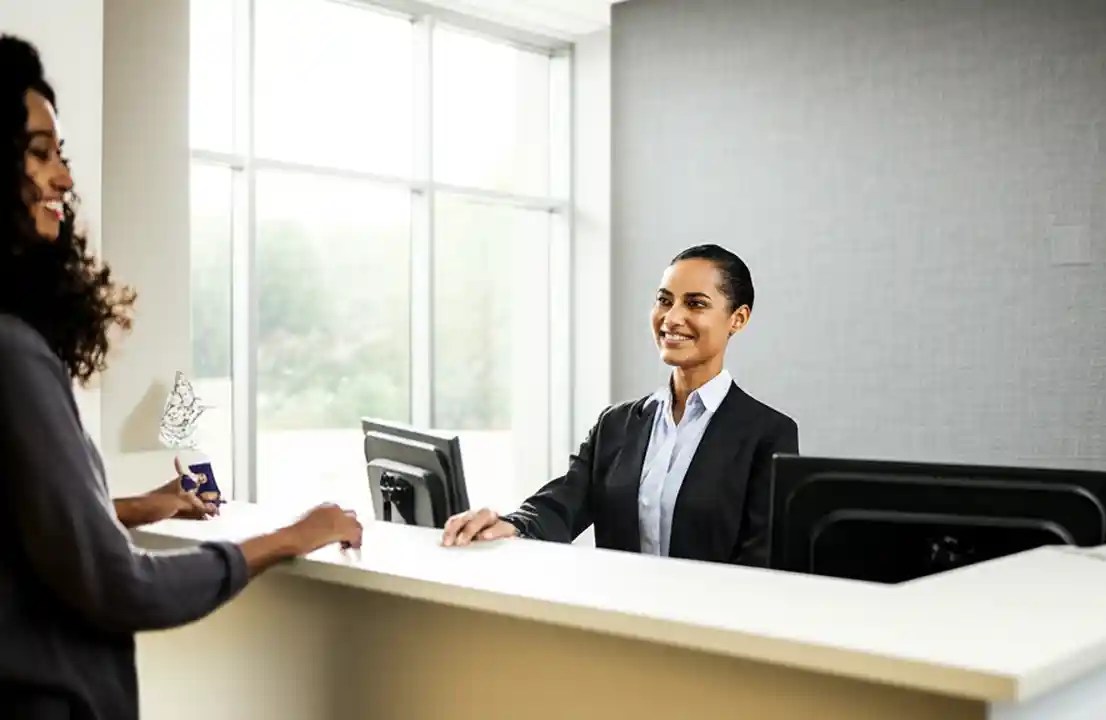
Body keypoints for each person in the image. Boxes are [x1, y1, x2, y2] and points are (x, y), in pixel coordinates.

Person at [0, 35, 363, 720]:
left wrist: (142, 506)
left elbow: (28, 524)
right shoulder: (13, 355)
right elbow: (118, 584)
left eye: (62, 155)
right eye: (39, 152)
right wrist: (288, 537)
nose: (64, 179)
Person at [442, 244, 800, 566]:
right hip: (620, 623)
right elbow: (563, 502)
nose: (672, 318)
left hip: (711, 631)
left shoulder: (767, 434)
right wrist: (509, 524)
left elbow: (762, 561)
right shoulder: (616, 424)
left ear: (738, 318)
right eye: (664, 300)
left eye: (695, 303)